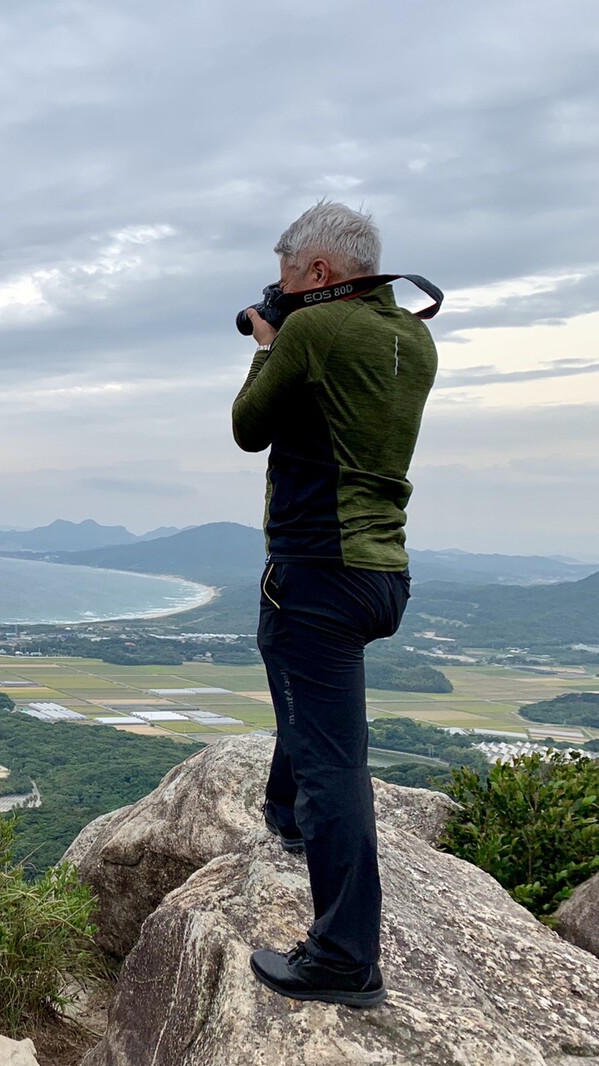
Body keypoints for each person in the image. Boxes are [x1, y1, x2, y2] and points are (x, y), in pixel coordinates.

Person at [231, 200, 438, 1008]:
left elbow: (250, 427)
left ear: (318, 274)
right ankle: (282, 809)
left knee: (333, 768)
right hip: (382, 573)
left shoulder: (312, 333)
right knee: (311, 718)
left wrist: (266, 343)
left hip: (316, 570)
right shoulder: (413, 336)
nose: (276, 288)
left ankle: (343, 957)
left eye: (285, 275)